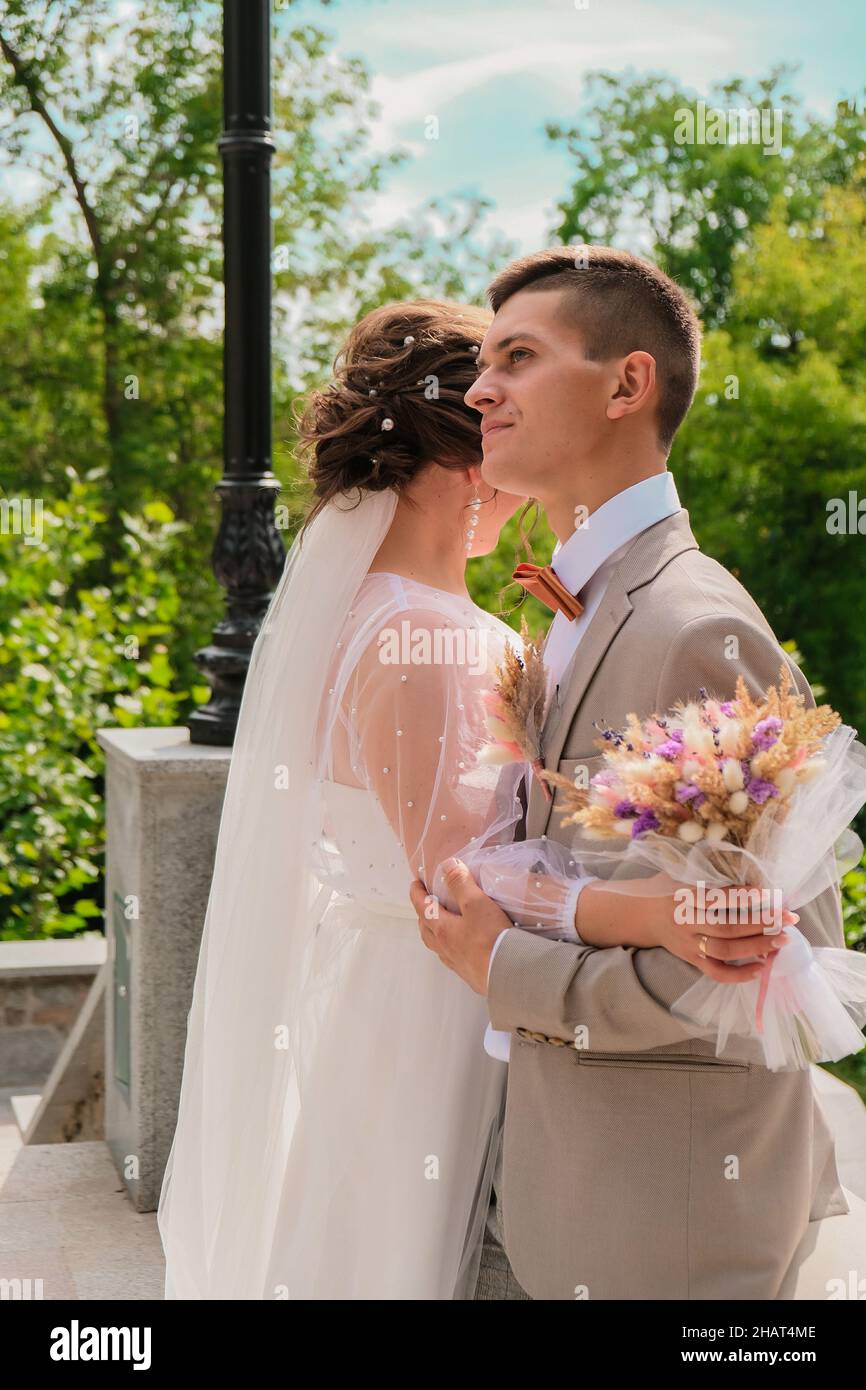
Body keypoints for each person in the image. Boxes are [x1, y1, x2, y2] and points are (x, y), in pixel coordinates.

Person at [157, 293, 755, 1299]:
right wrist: (645, 911)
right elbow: (457, 878)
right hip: (427, 1005)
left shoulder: (368, 613)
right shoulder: (423, 634)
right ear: (469, 457)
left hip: (380, 987)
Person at [409, 245, 866, 1301]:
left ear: (626, 383)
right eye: (484, 363)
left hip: (672, 1227)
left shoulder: (689, 623)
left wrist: (499, 965)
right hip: (573, 1196)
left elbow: (774, 964)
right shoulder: (581, 607)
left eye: (517, 358)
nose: (480, 389)